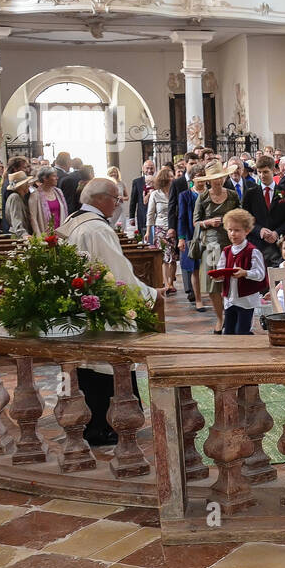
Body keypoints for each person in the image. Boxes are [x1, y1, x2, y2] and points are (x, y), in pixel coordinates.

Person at [57, 177, 159, 447]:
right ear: (100, 199)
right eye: (116, 199)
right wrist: (151, 294)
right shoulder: (97, 230)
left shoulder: (75, 220)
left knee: (89, 366)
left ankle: (94, 424)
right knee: (107, 364)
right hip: (105, 309)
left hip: (85, 305)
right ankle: (108, 426)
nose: (118, 204)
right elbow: (118, 273)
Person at [191, 161, 240, 334]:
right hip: (210, 244)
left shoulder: (233, 195)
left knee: (233, 281)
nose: (218, 182)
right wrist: (208, 222)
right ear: (209, 181)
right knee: (213, 284)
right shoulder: (202, 197)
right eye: (214, 179)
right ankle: (220, 318)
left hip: (231, 242)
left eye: (220, 178)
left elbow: (241, 215)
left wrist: (232, 223)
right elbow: (195, 222)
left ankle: (231, 316)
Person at [218, 207, 267, 335]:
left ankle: (246, 351)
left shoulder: (252, 251)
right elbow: (221, 269)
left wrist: (246, 273)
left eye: (237, 230)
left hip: (246, 300)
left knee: (242, 331)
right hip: (229, 299)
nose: (233, 234)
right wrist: (219, 276)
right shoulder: (226, 251)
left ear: (247, 231)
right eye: (230, 230)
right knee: (228, 331)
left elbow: (260, 274)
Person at [242, 155, 285, 268]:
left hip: (278, 245)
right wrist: (259, 230)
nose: (262, 175)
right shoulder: (250, 194)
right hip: (257, 243)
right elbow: (245, 220)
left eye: (265, 172)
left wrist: (276, 233)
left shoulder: (284, 192)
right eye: (259, 172)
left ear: (273, 171)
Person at [177, 163, 203, 308]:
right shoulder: (185, 195)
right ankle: (198, 298)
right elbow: (181, 217)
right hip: (191, 235)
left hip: (208, 234)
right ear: (192, 179)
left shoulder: (209, 193)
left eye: (203, 177)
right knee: (195, 268)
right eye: (198, 177)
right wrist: (181, 238)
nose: (201, 180)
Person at [148, 168, 177, 293]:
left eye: (173, 176)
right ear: (164, 178)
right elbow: (150, 214)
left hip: (173, 227)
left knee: (173, 256)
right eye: (170, 176)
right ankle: (166, 283)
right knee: (165, 257)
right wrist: (148, 231)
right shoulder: (155, 194)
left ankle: (171, 283)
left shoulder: (175, 192)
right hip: (160, 227)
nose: (173, 178)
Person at [29, 166, 66, 235]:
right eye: (54, 176)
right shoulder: (35, 195)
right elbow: (33, 218)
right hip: (45, 234)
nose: (57, 178)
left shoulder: (58, 192)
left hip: (60, 233)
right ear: (45, 178)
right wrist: (39, 236)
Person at [0, 157, 29, 227]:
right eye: (24, 168)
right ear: (15, 169)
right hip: (13, 228)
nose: (26, 170)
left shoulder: (8, 182)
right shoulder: (11, 187)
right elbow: (14, 213)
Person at [129, 159, 155, 239]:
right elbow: (133, 200)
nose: (149, 170)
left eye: (151, 168)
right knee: (144, 237)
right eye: (147, 168)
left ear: (155, 168)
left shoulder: (158, 181)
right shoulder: (137, 182)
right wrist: (131, 217)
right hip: (142, 213)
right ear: (143, 169)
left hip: (155, 215)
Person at [2, 171, 32, 237]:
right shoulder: (15, 197)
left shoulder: (21, 197)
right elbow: (16, 219)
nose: (28, 185)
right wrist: (24, 234)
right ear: (21, 185)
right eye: (26, 183)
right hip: (18, 237)